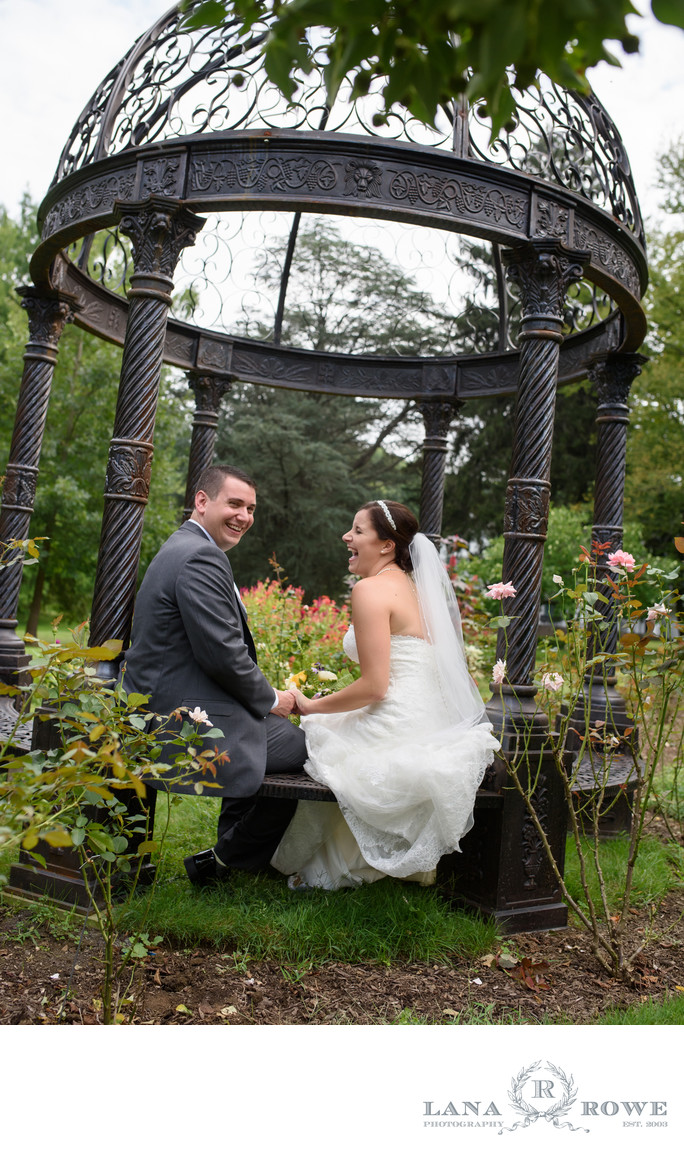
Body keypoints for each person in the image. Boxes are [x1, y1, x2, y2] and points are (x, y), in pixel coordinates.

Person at [271, 499, 500, 890]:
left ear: (386, 545)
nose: (347, 537)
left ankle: (326, 864)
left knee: (314, 737)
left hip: (393, 719)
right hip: (427, 720)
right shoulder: (415, 589)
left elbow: (375, 688)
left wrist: (311, 704)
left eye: (357, 531)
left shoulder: (370, 590)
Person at [121, 464, 306, 886]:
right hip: (177, 716)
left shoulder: (185, 545)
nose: (244, 516)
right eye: (235, 504)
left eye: (251, 508)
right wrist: (274, 700)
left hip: (171, 698)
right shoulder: (200, 556)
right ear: (202, 501)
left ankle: (224, 858)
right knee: (307, 750)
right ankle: (229, 860)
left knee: (278, 742)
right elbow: (222, 654)